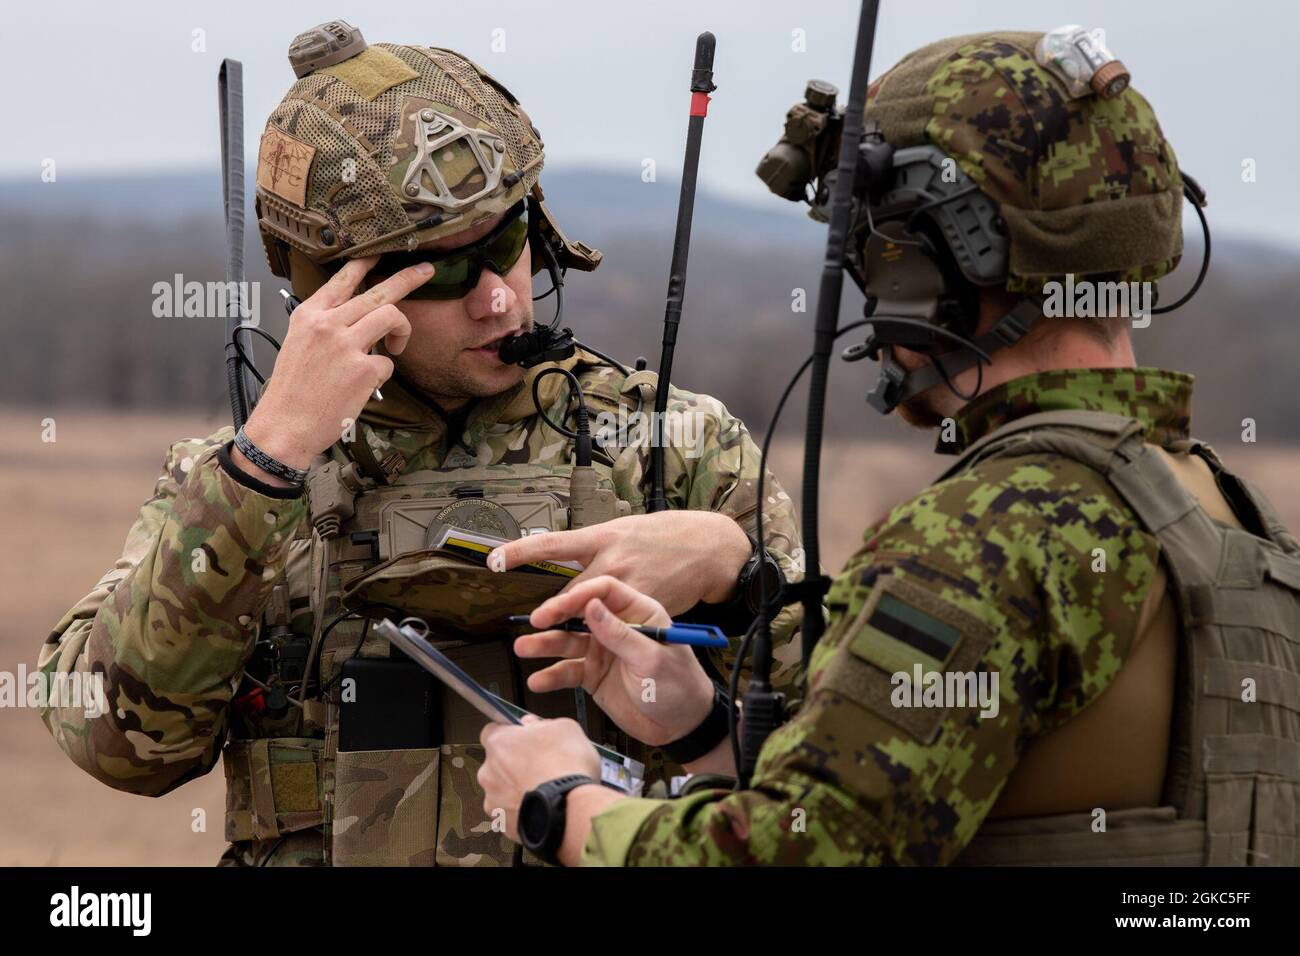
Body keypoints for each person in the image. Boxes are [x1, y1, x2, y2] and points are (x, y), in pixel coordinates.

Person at [476, 29, 1300, 866]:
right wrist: (705, 735)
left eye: (875, 253)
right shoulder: (1236, 517)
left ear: (933, 262)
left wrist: (566, 809)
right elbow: (918, 811)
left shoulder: (991, 533)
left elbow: (805, 855)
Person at [36, 20, 801, 867]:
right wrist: (267, 464)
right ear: (335, 288)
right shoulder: (237, 483)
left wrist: (739, 571)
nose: (499, 302)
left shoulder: (671, 446)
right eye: (440, 270)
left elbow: (828, 777)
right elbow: (117, 748)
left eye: (506, 242)